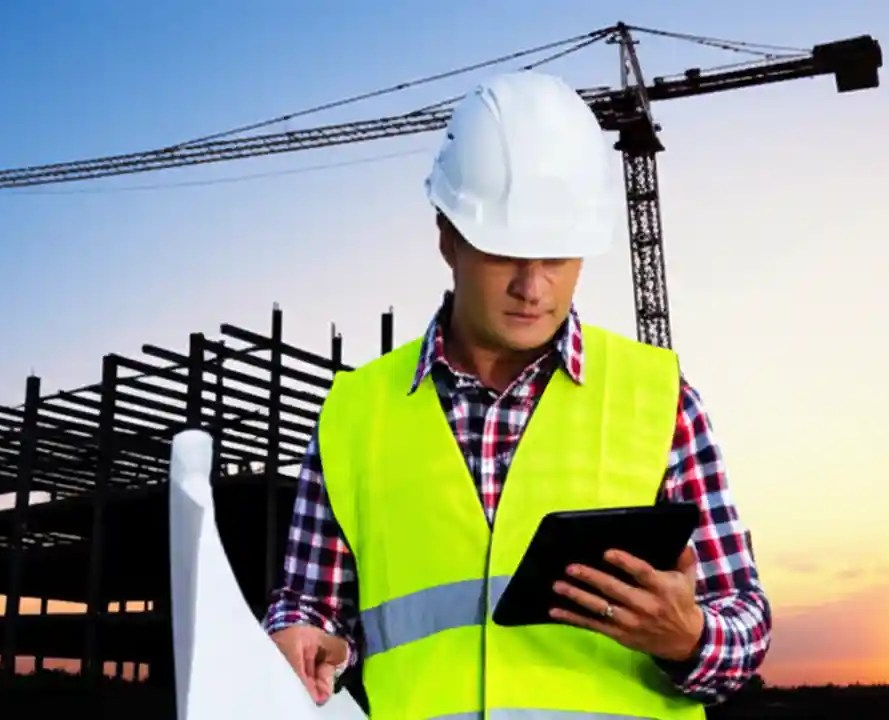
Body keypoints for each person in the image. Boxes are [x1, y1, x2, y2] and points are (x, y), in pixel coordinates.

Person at [261, 70, 771, 719]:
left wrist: (691, 638)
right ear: (447, 236)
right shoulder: (355, 414)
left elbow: (744, 624)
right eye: (505, 252)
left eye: (557, 256)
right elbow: (312, 604)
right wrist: (302, 636)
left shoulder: (660, 399)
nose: (533, 288)